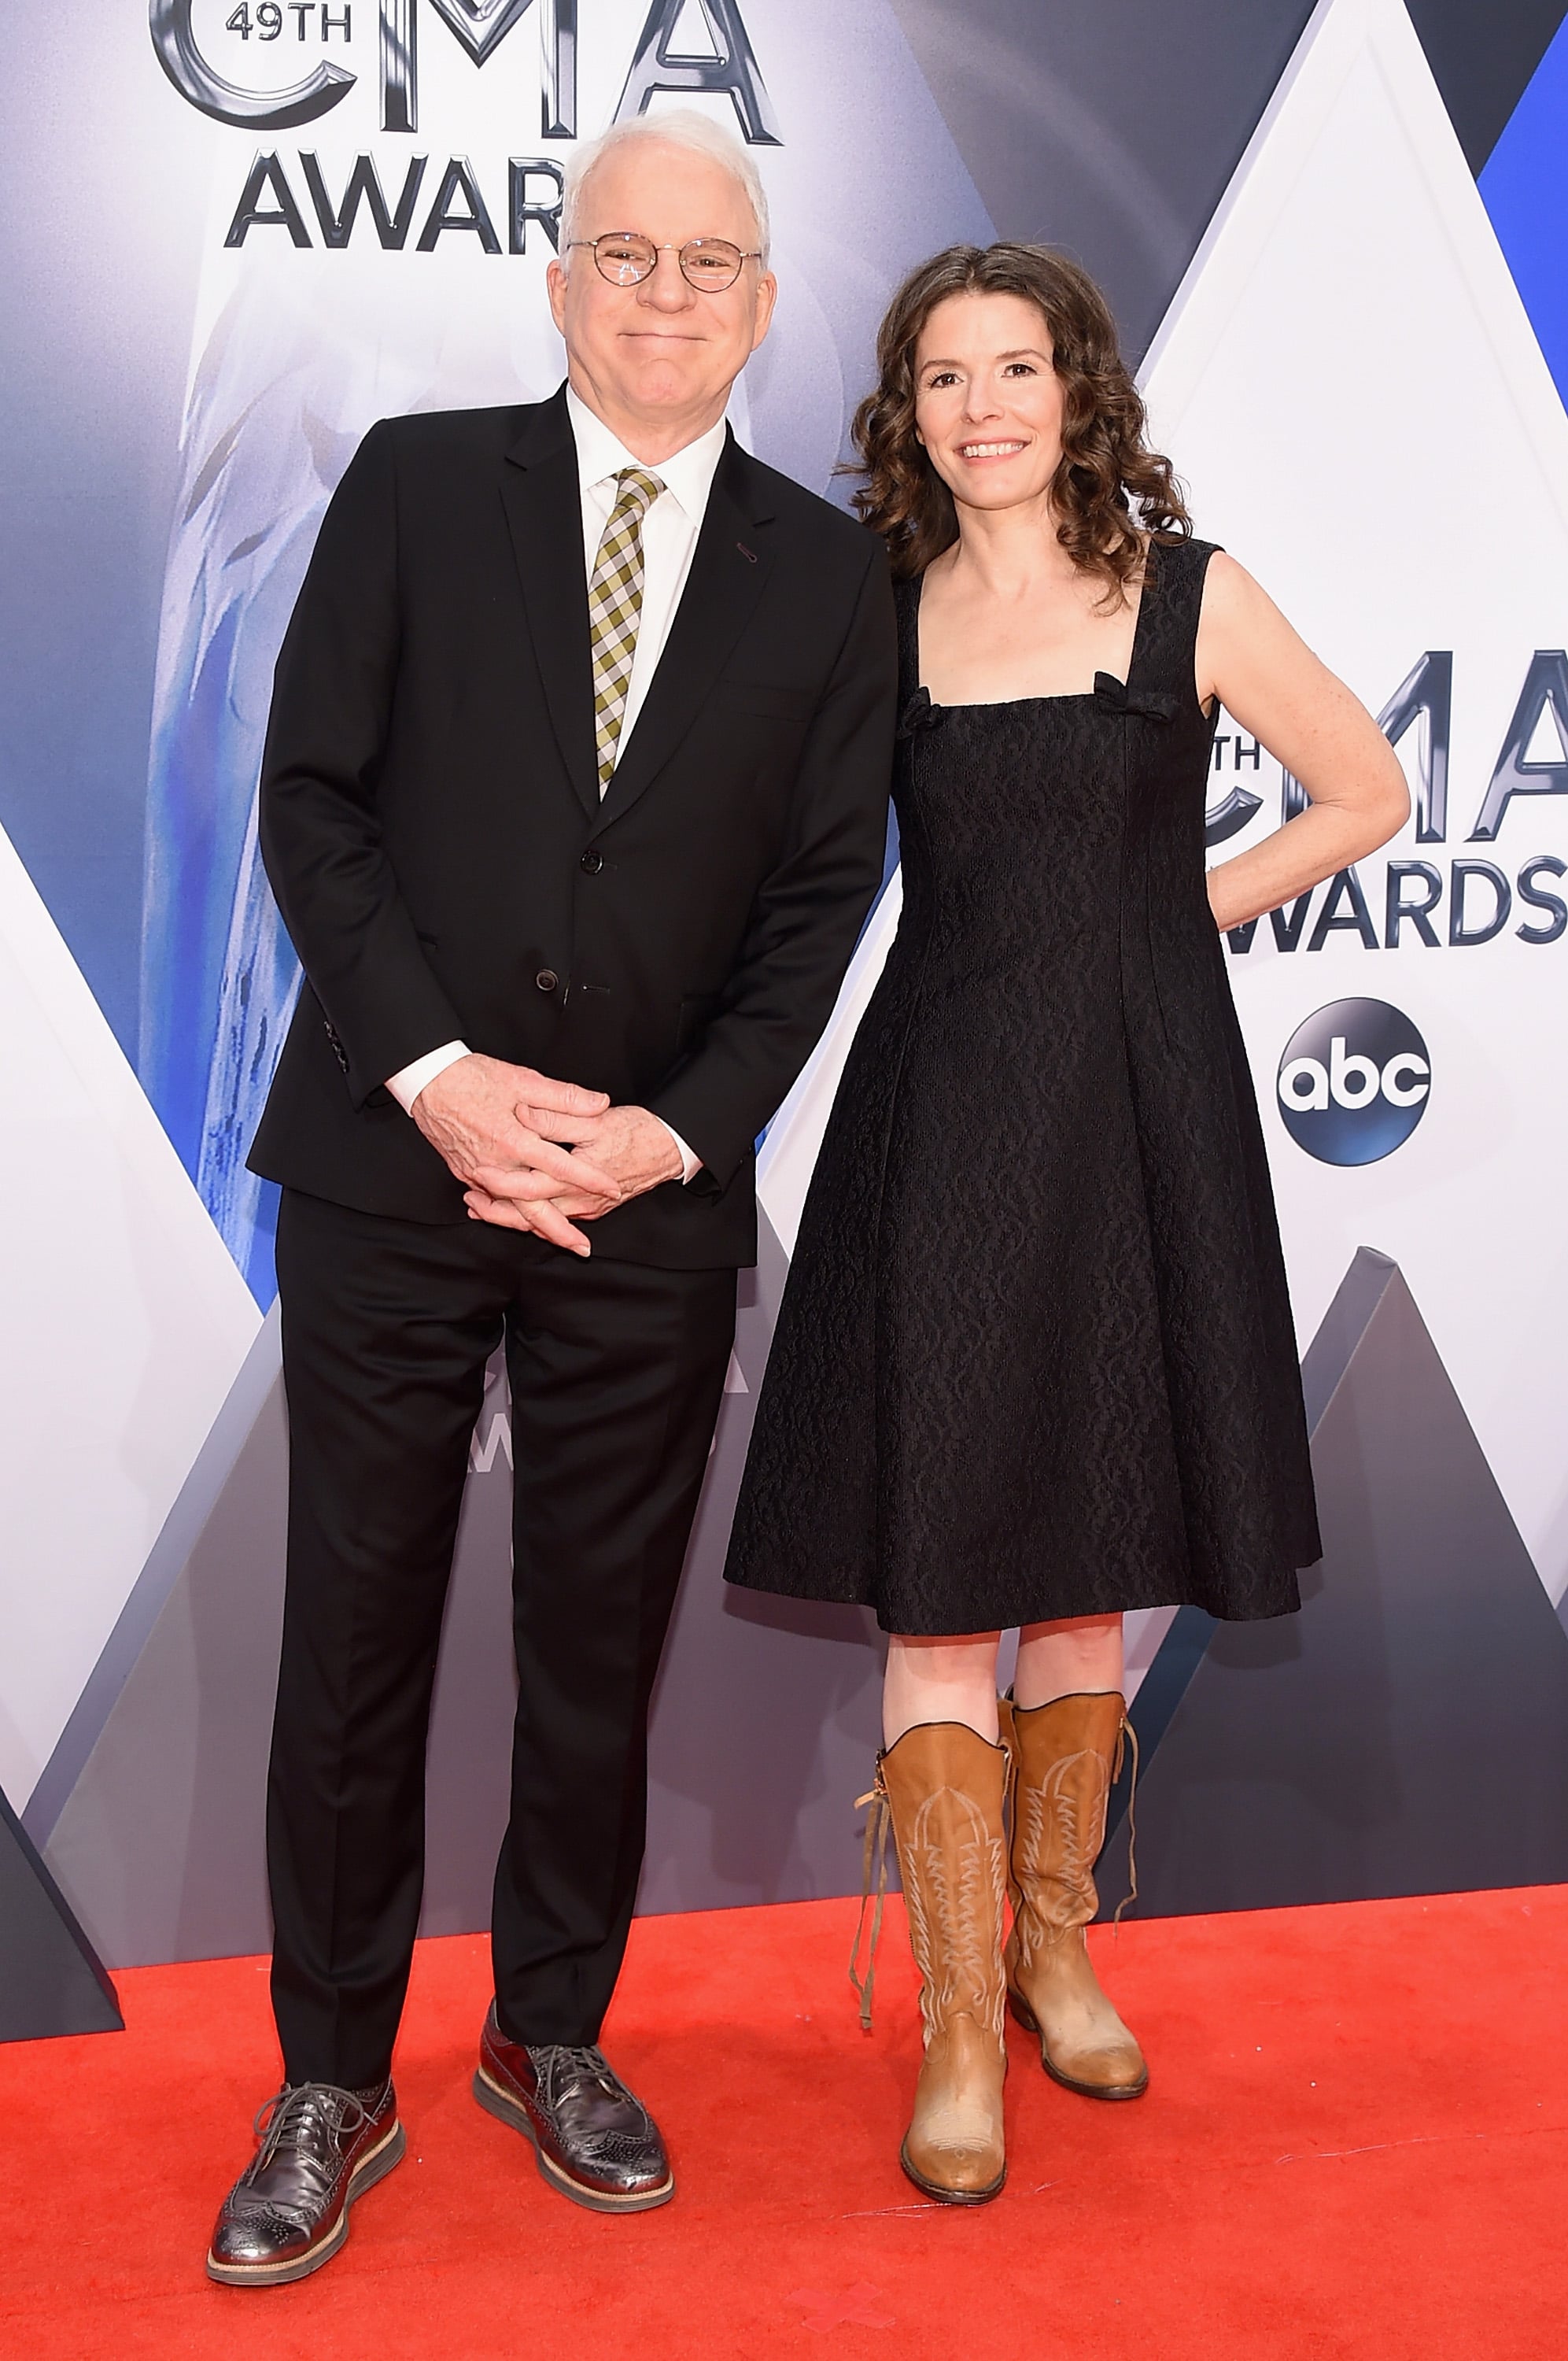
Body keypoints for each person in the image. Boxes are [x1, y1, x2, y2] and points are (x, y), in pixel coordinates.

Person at [207, 112, 896, 2285]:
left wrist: (678, 1125)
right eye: (627, 253)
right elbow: (312, 793)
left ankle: (549, 2036)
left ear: (766, 305)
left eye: (713, 264)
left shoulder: (831, 570)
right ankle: (331, 2075)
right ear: (557, 279)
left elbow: (816, 901)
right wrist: (434, 1076)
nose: (668, 294)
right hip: (396, 1173)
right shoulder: (417, 482)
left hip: (649, 1202)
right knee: (354, 1643)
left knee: (594, 1651)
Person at [724, 242, 1408, 2206]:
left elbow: (1358, 784)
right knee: (943, 1575)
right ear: (907, 411)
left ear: (1074, 386)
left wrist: (1178, 920)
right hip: (939, 1118)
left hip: (1137, 1117)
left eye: (1013, 367)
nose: (982, 406)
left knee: (1089, 1560)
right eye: (942, 377)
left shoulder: (1188, 591)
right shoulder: (879, 610)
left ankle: (1050, 1948)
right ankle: (954, 2020)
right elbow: (779, 855)